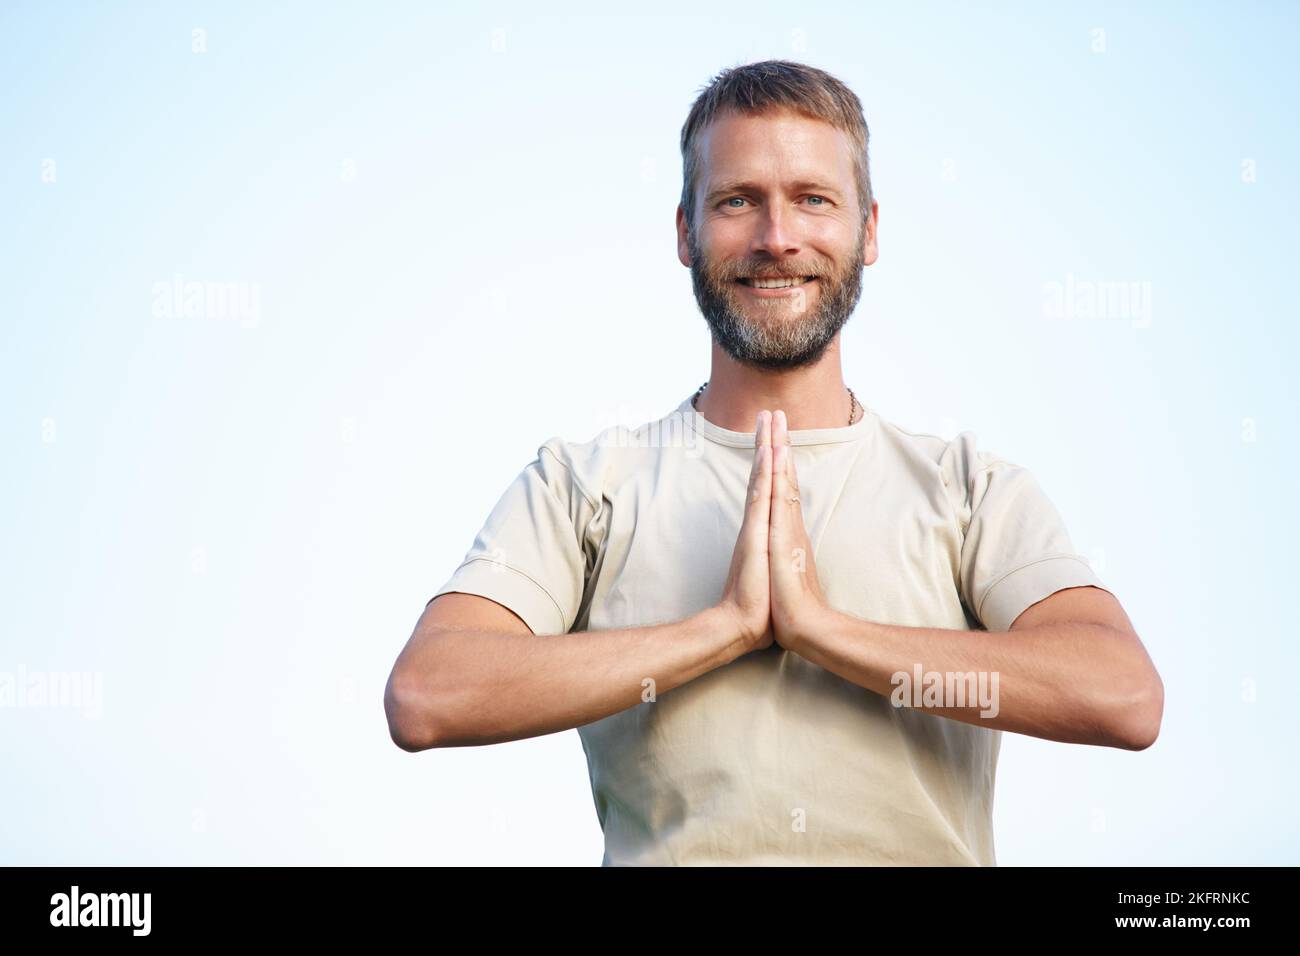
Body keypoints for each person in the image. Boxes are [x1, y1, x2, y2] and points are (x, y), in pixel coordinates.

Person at [383, 59, 1164, 866]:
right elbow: (427, 696)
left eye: (813, 199)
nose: (777, 237)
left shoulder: (971, 489)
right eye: (737, 201)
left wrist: (823, 633)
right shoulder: (584, 486)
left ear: (868, 231)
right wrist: (722, 630)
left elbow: (1124, 696)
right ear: (686, 232)